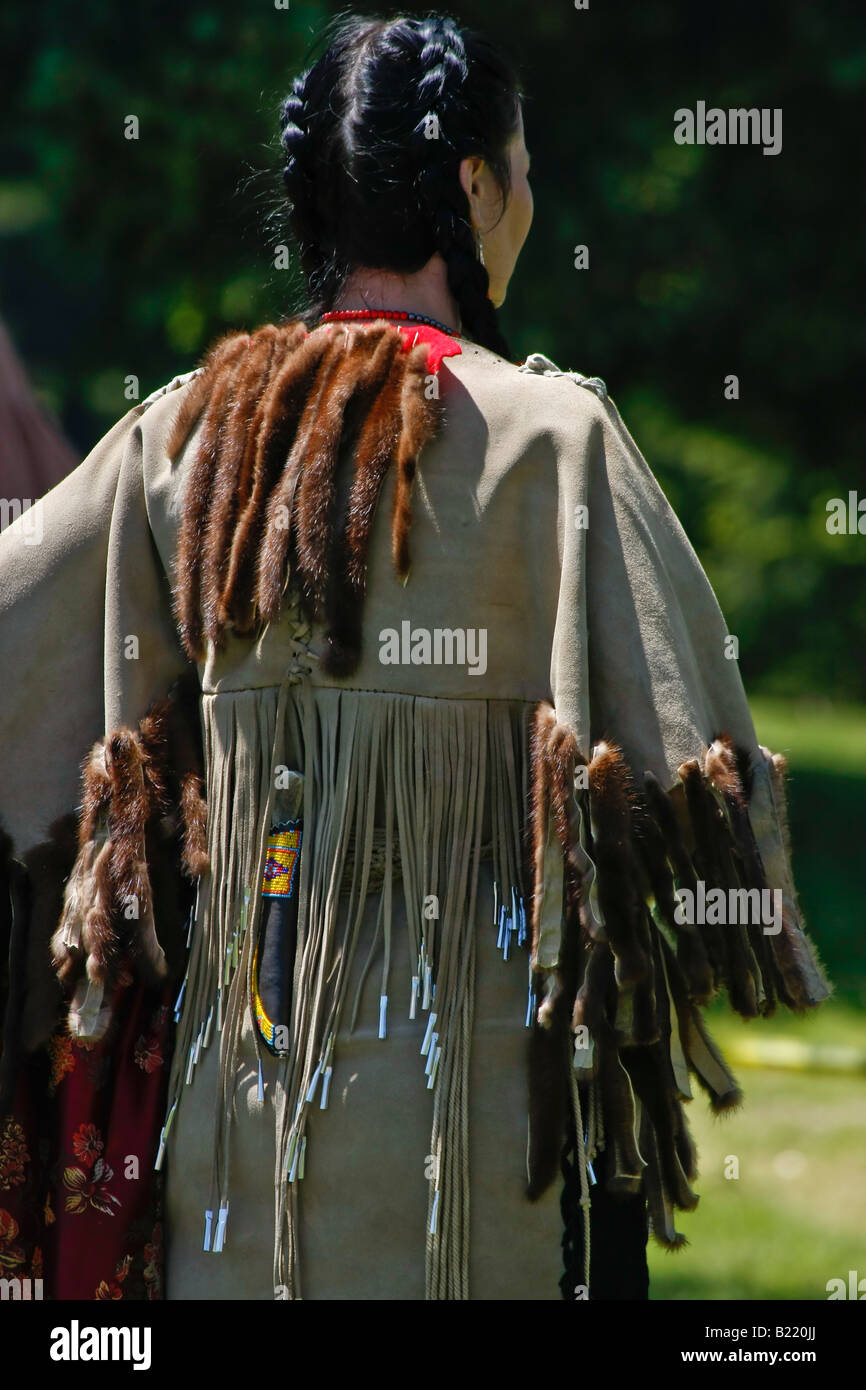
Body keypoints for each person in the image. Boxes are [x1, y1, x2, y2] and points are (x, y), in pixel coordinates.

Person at [0, 12, 830, 1302]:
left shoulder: (186, 442)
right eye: (524, 171)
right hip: (483, 1180)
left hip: (233, 1184)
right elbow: (699, 785)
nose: (532, 205)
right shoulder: (554, 444)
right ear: (473, 187)